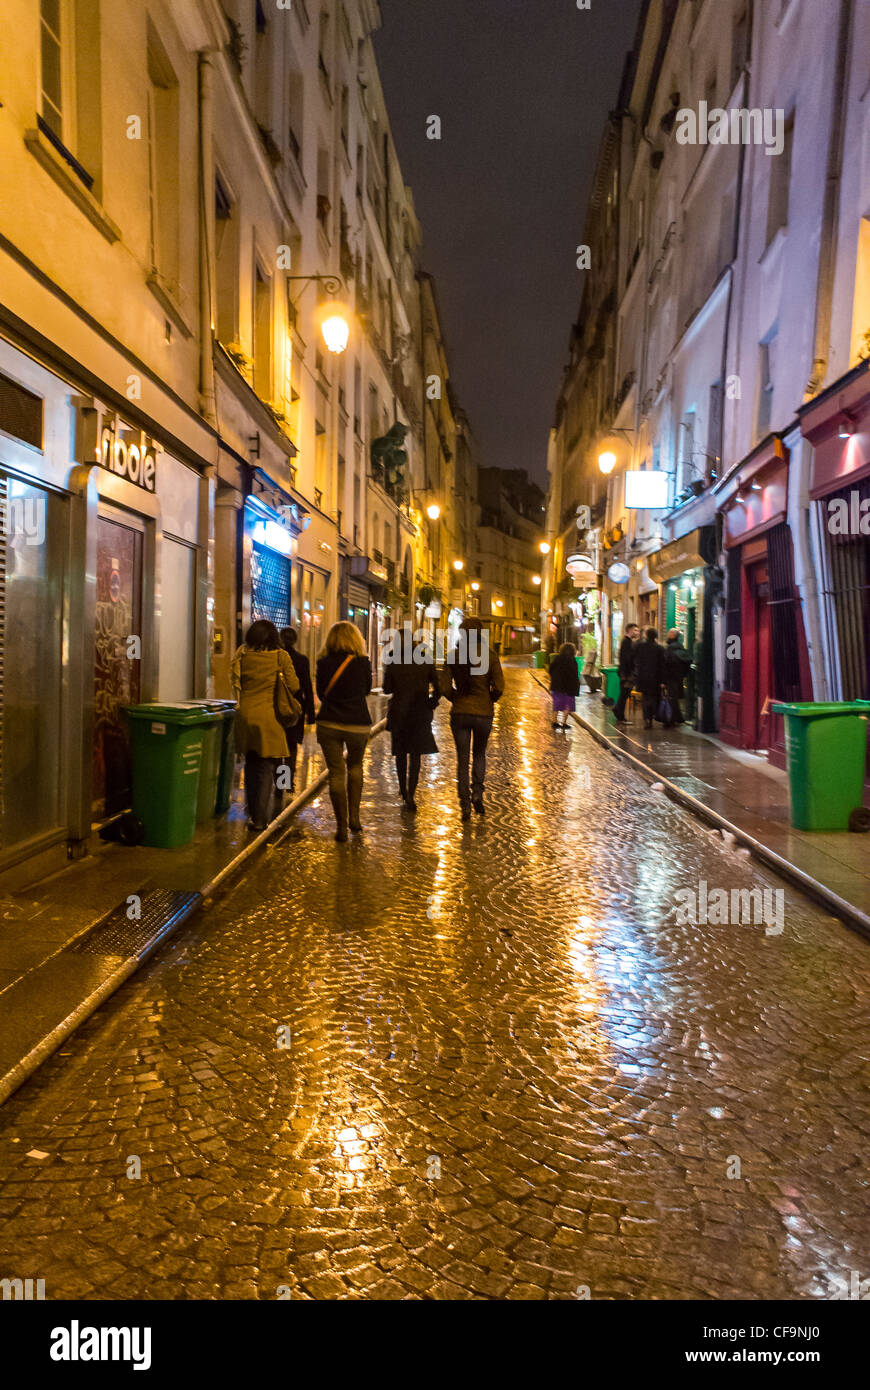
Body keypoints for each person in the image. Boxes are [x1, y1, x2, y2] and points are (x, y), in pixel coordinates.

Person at [231, 619, 300, 832]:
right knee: (266, 768)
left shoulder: (242, 654)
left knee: (251, 765)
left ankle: (252, 812)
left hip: (245, 717)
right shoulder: (281, 657)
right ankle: (260, 819)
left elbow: (235, 681)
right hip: (269, 719)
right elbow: (294, 686)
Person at [441, 616, 504, 821]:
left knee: (462, 759)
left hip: (460, 712)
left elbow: (443, 687)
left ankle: (465, 803)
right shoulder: (490, 656)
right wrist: (489, 699)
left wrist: (456, 698)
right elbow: (500, 687)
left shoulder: (453, 655)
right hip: (483, 713)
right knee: (479, 754)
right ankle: (478, 792)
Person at [316, 621, 372, 842]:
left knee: (336, 772)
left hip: (329, 722)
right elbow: (367, 690)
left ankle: (340, 827)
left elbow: (321, 693)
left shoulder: (323, 663)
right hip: (357, 723)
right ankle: (355, 819)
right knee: (356, 767)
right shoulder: (363, 663)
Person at [382, 632, 440, 812]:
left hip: (400, 712)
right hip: (419, 711)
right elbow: (438, 686)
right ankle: (411, 794)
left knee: (400, 753)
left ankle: (402, 789)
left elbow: (387, 688)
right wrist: (431, 702)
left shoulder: (393, 658)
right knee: (415, 754)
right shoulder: (425, 658)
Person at [279, 627, 316, 793]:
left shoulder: (275, 659)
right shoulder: (301, 660)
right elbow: (307, 687)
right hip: (295, 708)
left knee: (278, 747)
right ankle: (287, 782)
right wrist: (311, 713)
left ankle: (280, 784)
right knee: (291, 747)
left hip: (276, 708)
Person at [633, 627, 664, 729]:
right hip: (655, 679)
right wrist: (663, 681)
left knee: (645, 699)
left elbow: (634, 659)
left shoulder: (640, 646)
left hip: (643, 678)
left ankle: (647, 718)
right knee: (654, 698)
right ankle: (652, 716)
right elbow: (662, 665)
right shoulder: (659, 648)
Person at [663, 628, 692, 728]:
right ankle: (677, 718)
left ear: (672, 635)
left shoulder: (670, 648)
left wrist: (663, 679)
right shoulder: (680, 648)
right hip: (678, 678)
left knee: (672, 698)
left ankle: (674, 718)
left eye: (669, 633)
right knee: (674, 698)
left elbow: (666, 664)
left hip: (671, 678)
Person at [548, 641, 581, 731]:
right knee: (567, 705)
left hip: (557, 686)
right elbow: (574, 675)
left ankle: (554, 721)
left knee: (557, 704)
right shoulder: (573, 661)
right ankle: (564, 723)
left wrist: (553, 680)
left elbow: (550, 670)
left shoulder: (557, 659)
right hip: (569, 688)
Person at [612, 623, 640, 724]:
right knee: (624, 694)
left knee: (624, 694)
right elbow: (626, 659)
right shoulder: (626, 642)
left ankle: (618, 711)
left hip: (626, 673)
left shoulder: (627, 642)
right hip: (627, 674)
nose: (637, 632)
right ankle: (620, 716)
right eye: (635, 630)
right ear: (630, 630)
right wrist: (628, 674)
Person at [580, 625, 599, 692]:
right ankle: (592, 688)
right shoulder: (591, 649)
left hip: (590, 666)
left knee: (588, 676)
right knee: (587, 676)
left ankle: (593, 688)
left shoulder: (593, 650)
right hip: (589, 666)